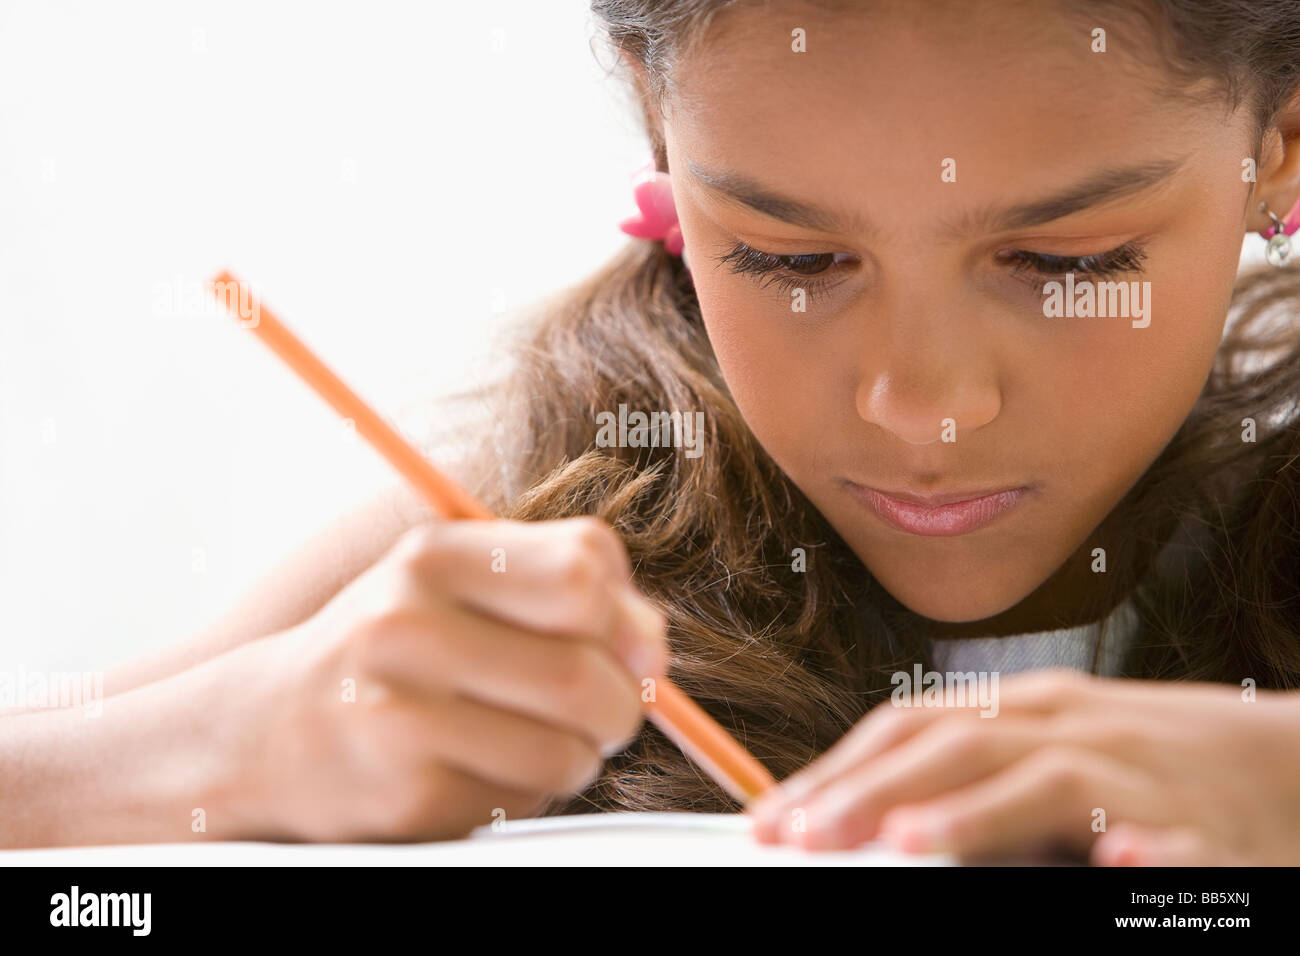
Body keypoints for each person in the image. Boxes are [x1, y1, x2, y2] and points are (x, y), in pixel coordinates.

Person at [6, 0, 1300, 864]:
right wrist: (225, 743)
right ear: (657, 126)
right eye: (790, 256)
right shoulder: (550, 518)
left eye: (1064, 260)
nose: (922, 405)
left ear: (1280, 146)